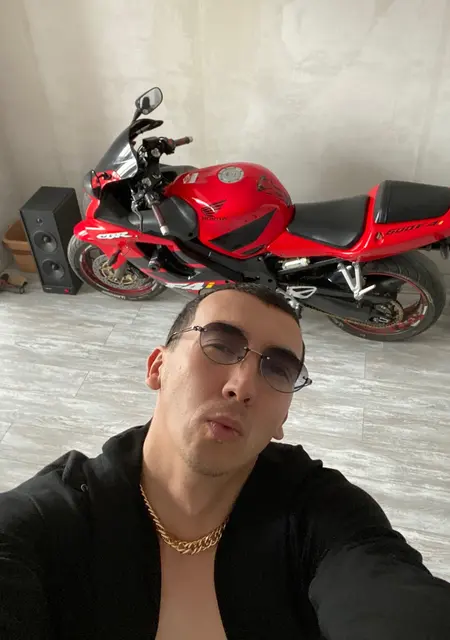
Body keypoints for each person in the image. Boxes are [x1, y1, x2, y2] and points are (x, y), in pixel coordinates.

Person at [0, 283, 449, 640]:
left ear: (283, 417)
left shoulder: (323, 514)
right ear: (157, 367)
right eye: (219, 345)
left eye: (277, 370)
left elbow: (390, 594)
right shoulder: (55, 516)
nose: (243, 385)